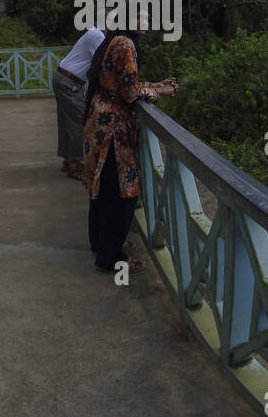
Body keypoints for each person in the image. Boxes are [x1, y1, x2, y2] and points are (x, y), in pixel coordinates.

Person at [80, 29, 179, 274]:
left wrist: (155, 84)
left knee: (103, 189)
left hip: (99, 124)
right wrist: (159, 92)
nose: (144, 21)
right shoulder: (125, 44)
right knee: (123, 194)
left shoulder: (113, 39)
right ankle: (111, 257)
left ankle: (102, 244)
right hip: (111, 131)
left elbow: (123, 82)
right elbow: (130, 93)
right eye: (139, 15)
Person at [55, 25, 109, 175]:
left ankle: (69, 160)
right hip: (69, 82)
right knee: (79, 122)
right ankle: (75, 163)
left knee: (67, 122)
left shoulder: (93, 33)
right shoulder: (98, 37)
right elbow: (102, 65)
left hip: (65, 79)